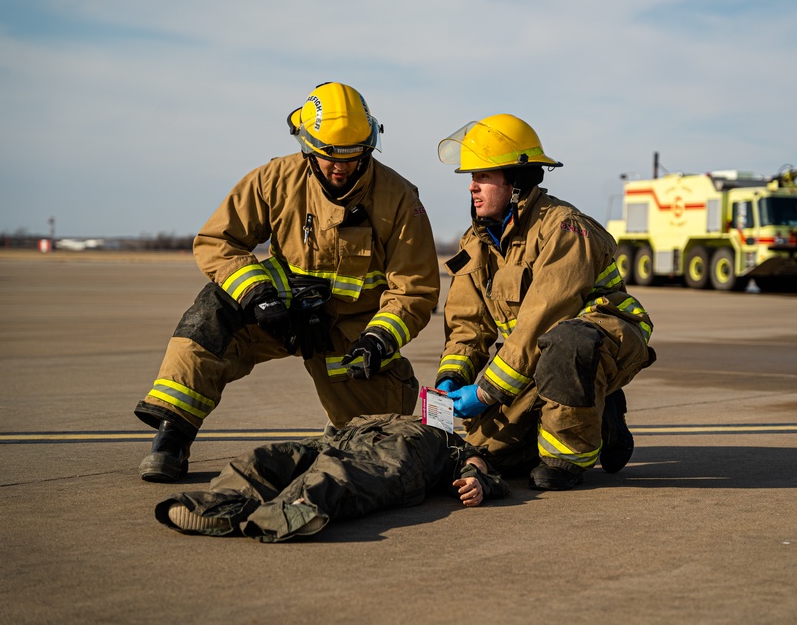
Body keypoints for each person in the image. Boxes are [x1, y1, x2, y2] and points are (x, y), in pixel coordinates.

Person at [134, 82, 441, 482]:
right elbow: (217, 241)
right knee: (213, 312)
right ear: (307, 145)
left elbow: (414, 288)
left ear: (369, 146)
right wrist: (258, 297)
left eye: (353, 156)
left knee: (383, 446)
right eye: (330, 156)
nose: (341, 167)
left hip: (353, 335)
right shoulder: (274, 179)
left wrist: (378, 340)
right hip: (278, 313)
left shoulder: (399, 198)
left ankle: (348, 434)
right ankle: (171, 435)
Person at [433, 114, 656, 491]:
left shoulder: (564, 229)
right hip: (538, 353)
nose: (472, 186)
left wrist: (487, 391)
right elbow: (467, 325)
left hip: (603, 342)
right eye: (471, 177)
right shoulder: (475, 243)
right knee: (489, 452)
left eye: (484, 176)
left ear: (518, 181)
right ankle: (600, 415)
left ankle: (567, 460)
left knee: (568, 342)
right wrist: (451, 377)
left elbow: (543, 318)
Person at [155, 414, 509, 543]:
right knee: (265, 458)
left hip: (392, 464)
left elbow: (475, 462)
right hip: (339, 440)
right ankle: (220, 507)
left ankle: (285, 515)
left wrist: (476, 479)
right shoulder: (392, 414)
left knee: (334, 475)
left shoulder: (450, 439)